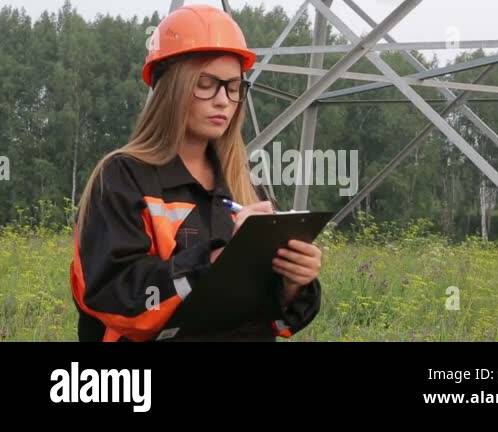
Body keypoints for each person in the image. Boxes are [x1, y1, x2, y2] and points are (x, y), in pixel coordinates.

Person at [69, 4, 323, 342]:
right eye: (206, 84)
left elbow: (273, 321)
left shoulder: (248, 187)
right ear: (170, 87)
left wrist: (293, 282)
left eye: (233, 87)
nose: (223, 100)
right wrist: (213, 261)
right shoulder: (122, 178)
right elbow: (115, 297)